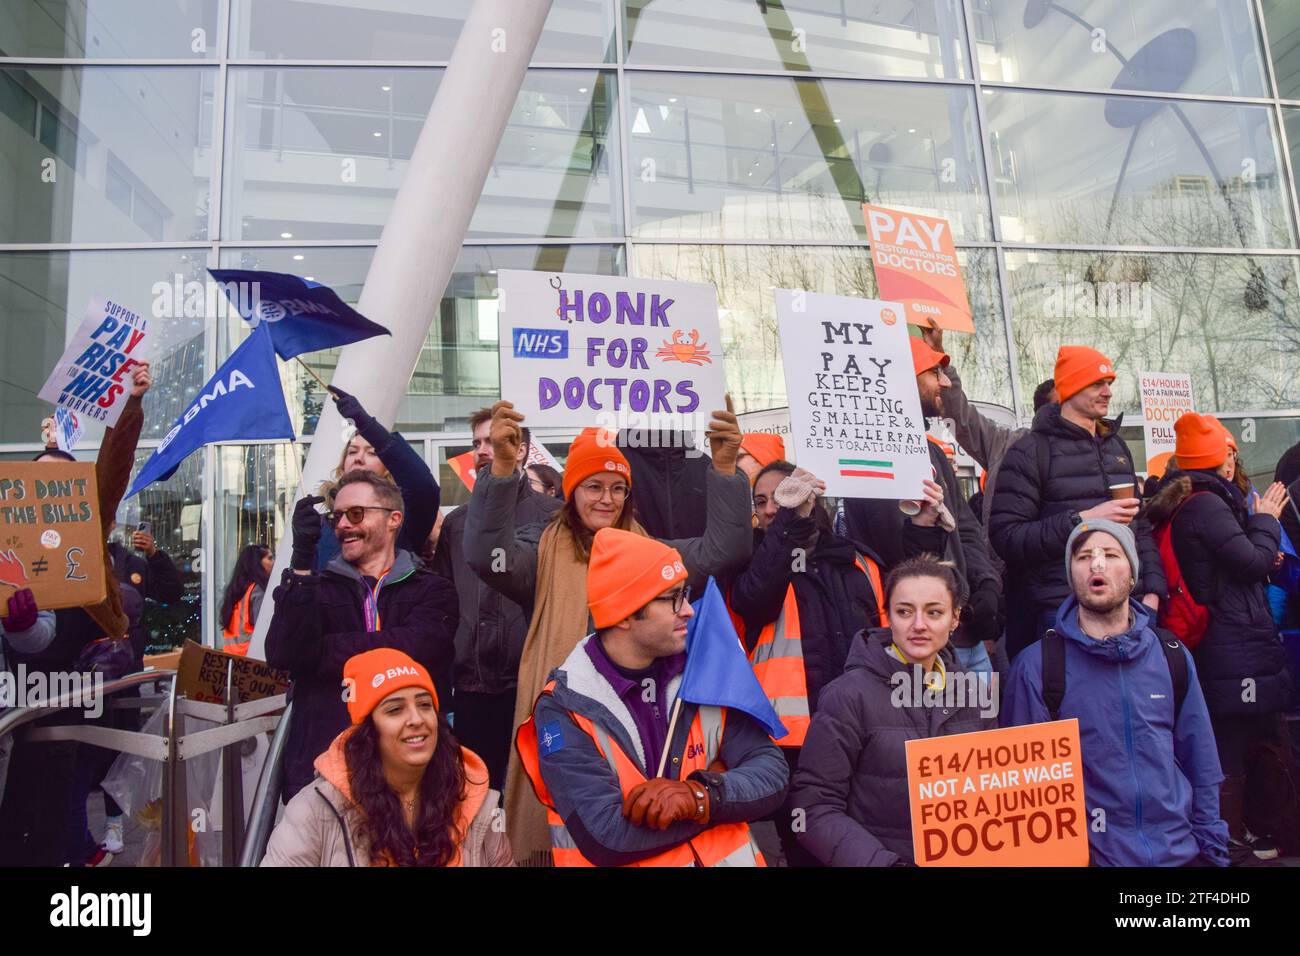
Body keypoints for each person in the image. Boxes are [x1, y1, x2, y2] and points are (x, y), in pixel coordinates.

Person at [464, 401, 754, 864]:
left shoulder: (654, 554)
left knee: (636, 830)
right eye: (594, 486)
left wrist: (723, 470)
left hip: (642, 735)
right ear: (572, 491)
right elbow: (483, 553)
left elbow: (725, 550)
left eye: (619, 488)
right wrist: (502, 468)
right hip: (566, 731)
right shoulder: (538, 555)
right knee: (566, 838)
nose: (607, 498)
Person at [515, 528, 787, 866]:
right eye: (672, 597)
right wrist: (724, 798)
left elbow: (773, 774)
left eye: (685, 594)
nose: (688, 610)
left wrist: (700, 796)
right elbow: (608, 835)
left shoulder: (702, 670)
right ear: (626, 614)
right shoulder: (564, 708)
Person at [1003, 519, 1229, 866]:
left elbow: (1201, 759)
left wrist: (1211, 847)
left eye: (1110, 554)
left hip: (1180, 855)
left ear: (1133, 574)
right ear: (1071, 575)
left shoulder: (1172, 654)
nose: (1097, 564)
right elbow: (1025, 793)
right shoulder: (1036, 666)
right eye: (1083, 557)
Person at [0, 363, 153, 867]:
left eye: (57, 482)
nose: (44, 495)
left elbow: (114, 465)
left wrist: (129, 404)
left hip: (79, 683)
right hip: (23, 690)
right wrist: (18, 626)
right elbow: (30, 635)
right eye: (34, 482)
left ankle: (79, 854)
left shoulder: (89, 522)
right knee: (26, 790)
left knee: (69, 780)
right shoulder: (8, 542)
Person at [1148, 412, 1295, 860]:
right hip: (1230, 642)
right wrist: (1266, 521)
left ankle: (1242, 832)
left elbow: (1236, 560)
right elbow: (1248, 561)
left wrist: (1259, 541)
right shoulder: (1209, 504)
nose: (1234, 460)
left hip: (1226, 638)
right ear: (1221, 458)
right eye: (1229, 452)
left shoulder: (1195, 500)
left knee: (1240, 737)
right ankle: (1233, 837)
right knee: (1234, 743)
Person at [728, 461, 886, 866]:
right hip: (793, 743)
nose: (769, 508)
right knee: (808, 849)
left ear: (812, 496)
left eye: (781, 494)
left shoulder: (861, 564)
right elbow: (753, 598)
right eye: (761, 501)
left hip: (863, 732)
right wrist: (789, 522)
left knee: (868, 839)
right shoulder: (752, 564)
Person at [266, 470, 458, 801]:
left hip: (414, 774)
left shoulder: (433, 588)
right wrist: (301, 562)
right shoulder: (315, 587)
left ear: (393, 519)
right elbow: (285, 655)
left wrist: (324, 654)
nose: (342, 525)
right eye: (336, 516)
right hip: (323, 767)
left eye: (355, 514)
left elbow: (423, 648)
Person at [793, 556, 994, 866]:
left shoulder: (974, 691)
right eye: (904, 612)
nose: (918, 625)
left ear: (955, 619)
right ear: (887, 616)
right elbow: (814, 808)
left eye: (934, 612)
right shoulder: (847, 696)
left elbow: (995, 792)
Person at [989, 346, 1166, 657]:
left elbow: (1140, 526)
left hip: (1127, 608)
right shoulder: (1030, 451)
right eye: (1097, 384)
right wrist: (1083, 520)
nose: (1108, 392)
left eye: (1110, 382)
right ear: (1070, 388)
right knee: (1068, 705)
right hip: (1060, 610)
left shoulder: (1116, 445)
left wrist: (1151, 591)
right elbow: (1007, 536)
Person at [263, 648, 511, 866]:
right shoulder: (314, 810)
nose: (416, 719)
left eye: (425, 705)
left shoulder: (478, 802)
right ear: (368, 730)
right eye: (395, 710)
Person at [845, 337, 1004, 673]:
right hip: (918, 645)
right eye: (934, 372)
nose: (944, 383)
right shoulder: (873, 458)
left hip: (964, 635)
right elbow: (898, 554)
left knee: (985, 726)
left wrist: (986, 584)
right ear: (904, 377)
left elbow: (965, 529)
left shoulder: (930, 452)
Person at [433, 405, 561, 792]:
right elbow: (444, 604)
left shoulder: (555, 516)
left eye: (492, 440)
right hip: (473, 690)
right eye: (476, 443)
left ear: (520, 449)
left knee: (534, 797)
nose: (482, 450)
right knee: (478, 801)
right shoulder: (457, 523)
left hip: (533, 686)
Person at [918, 320, 1057, 529]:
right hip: (1007, 562)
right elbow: (959, 415)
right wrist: (938, 356)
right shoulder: (1006, 444)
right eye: (1065, 404)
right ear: (1045, 411)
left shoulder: (1101, 453)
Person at [313, 387, 439, 570]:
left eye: (372, 453)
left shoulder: (404, 516)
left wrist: (366, 424)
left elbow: (424, 487)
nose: (358, 458)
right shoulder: (322, 524)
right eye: (352, 452)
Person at [221, 544, 272, 655]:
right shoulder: (258, 591)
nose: (273, 562)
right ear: (257, 563)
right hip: (251, 658)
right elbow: (265, 629)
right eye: (269, 558)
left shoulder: (235, 592)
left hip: (231, 660)